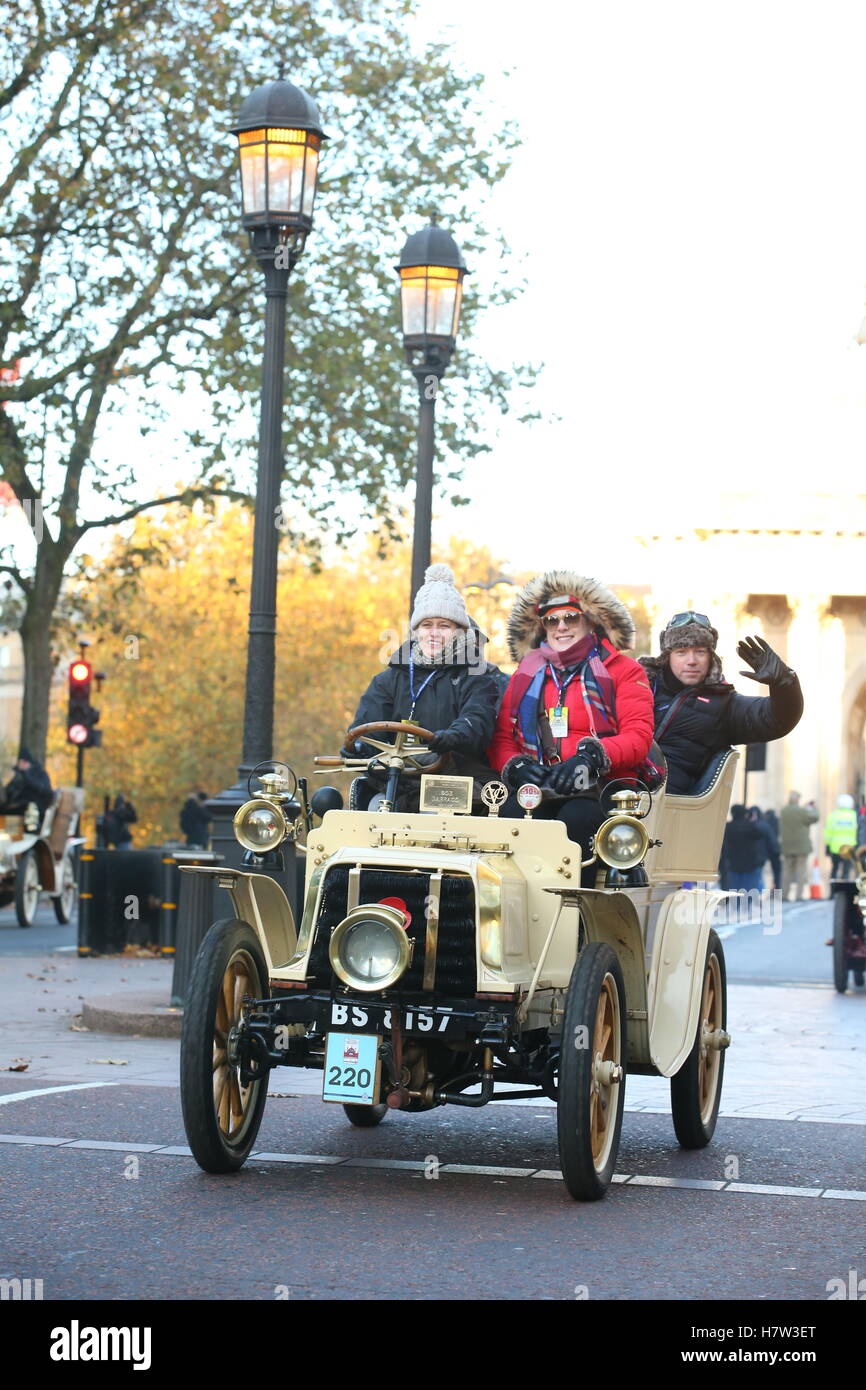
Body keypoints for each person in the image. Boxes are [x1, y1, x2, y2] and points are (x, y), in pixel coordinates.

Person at [487, 572, 655, 851]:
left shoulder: (624, 670)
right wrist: (516, 766)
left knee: (575, 822)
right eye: (552, 619)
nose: (561, 626)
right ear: (543, 626)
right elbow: (503, 736)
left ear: (591, 621)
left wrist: (591, 757)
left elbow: (638, 737)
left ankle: (574, 895)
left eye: (571, 617)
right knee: (512, 819)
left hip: (599, 786)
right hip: (540, 785)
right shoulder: (525, 673)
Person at [346, 564, 502, 812]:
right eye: (427, 625)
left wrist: (453, 736)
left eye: (444, 625)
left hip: (455, 782)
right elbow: (366, 728)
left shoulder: (476, 675)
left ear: (460, 631)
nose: (434, 633)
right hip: (396, 784)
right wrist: (359, 748)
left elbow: (478, 719)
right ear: (415, 630)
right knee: (373, 813)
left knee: (432, 813)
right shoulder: (388, 680)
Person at [639, 614, 804, 795]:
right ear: (667, 656)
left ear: (711, 656)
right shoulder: (637, 685)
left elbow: (777, 720)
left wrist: (785, 683)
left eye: (700, 651)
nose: (691, 660)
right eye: (681, 651)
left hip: (670, 808)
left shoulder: (725, 705)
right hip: (619, 792)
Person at [779, 791, 819, 902]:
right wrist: (814, 808)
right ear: (797, 799)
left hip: (787, 845)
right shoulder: (801, 811)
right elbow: (814, 817)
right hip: (801, 846)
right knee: (801, 871)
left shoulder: (784, 811)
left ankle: (784, 895)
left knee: (786, 871)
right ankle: (799, 895)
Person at [0, 746, 54, 828]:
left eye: (20, 762)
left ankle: (14, 835)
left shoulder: (39, 774)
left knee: (13, 812)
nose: (19, 764)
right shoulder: (19, 775)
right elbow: (9, 791)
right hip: (18, 806)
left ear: (25, 762)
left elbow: (44, 791)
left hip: (32, 810)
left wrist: (25, 777)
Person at [720, 804, 766, 894]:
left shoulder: (728, 827)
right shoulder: (750, 826)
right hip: (749, 863)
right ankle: (745, 905)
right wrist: (753, 822)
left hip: (732, 862)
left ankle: (735, 905)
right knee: (747, 889)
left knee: (734, 888)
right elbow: (760, 834)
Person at [824, 793, 858, 880]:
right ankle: (845, 891)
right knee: (846, 871)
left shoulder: (832, 815)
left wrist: (827, 845)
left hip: (835, 848)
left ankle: (833, 891)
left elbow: (828, 832)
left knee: (834, 869)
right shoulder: (854, 816)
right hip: (849, 848)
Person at [748, 804, 779, 890]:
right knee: (758, 874)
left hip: (755, 855)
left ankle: (757, 890)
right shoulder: (764, 824)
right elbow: (771, 840)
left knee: (755, 874)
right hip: (761, 854)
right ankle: (758, 890)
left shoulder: (753, 825)